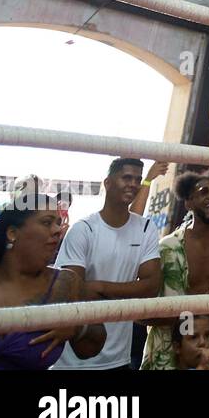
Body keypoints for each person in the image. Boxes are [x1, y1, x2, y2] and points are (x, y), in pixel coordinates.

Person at [52, 158, 162, 370]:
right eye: (126, 177)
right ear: (108, 183)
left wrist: (99, 287)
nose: (133, 184)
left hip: (119, 357)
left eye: (138, 179)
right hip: (74, 357)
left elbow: (150, 287)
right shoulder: (83, 229)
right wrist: (128, 290)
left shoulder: (146, 227)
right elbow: (72, 290)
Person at [0, 179, 106, 369]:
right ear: (12, 233)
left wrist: (76, 327)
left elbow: (91, 347)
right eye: (47, 222)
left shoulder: (65, 283)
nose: (58, 230)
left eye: (59, 223)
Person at [140, 170, 209, 370]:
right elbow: (139, 310)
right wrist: (183, 314)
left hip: (207, 352)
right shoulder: (168, 247)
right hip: (165, 354)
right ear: (188, 202)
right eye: (203, 191)